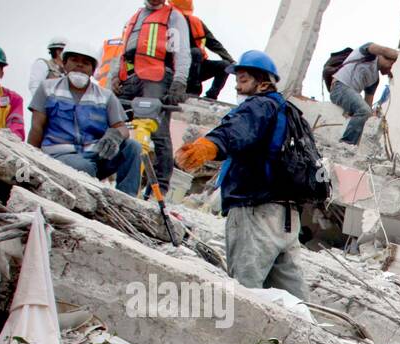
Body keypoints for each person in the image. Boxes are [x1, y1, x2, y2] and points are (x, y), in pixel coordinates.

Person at [174, 51, 308, 301]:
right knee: (294, 297)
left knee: (245, 291)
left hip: (255, 208)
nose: (238, 85)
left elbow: (237, 130)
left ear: (264, 81)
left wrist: (209, 145)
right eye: (237, 80)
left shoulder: (259, 106)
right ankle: (307, 336)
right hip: (287, 215)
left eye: (244, 80)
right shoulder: (290, 112)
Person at [28, 43, 142, 196]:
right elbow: (37, 127)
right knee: (84, 168)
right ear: (64, 63)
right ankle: (92, 191)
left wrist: (114, 136)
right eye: (74, 60)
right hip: (59, 156)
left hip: (96, 155)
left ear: (93, 69)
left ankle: (128, 198)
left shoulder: (105, 96)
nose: (80, 65)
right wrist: (31, 158)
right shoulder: (47, 89)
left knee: (132, 147)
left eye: (86, 63)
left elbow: (121, 127)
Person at [109, 0, 191, 192]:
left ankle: (160, 187)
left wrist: (179, 81)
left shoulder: (173, 16)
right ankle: (107, 172)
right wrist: (115, 75)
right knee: (113, 122)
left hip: (157, 78)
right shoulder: (135, 17)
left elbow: (182, 51)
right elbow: (121, 50)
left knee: (158, 130)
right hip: (130, 78)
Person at [329, 42, 397, 145]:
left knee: (365, 110)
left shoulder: (375, 79)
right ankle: (346, 144)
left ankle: (351, 143)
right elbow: (384, 50)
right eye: (392, 67)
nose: (390, 72)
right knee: (364, 110)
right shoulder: (367, 54)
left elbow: (368, 105)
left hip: (349, 94)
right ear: (390, 60)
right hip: (339, 87)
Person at [172, 0, 234, 101]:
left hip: (197, 67)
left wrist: (231, 61)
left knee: (224, 65)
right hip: (175, 68)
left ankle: (211, 97)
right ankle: (192, 92)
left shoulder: (196, 23)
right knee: (195, 52)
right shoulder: (167, 23)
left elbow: (214, 43)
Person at [27, 37, 67, 103]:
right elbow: (34, 86)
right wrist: (44, 106)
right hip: (48, 108)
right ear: (58, 51)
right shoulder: (43, 64)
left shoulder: (67, 72)